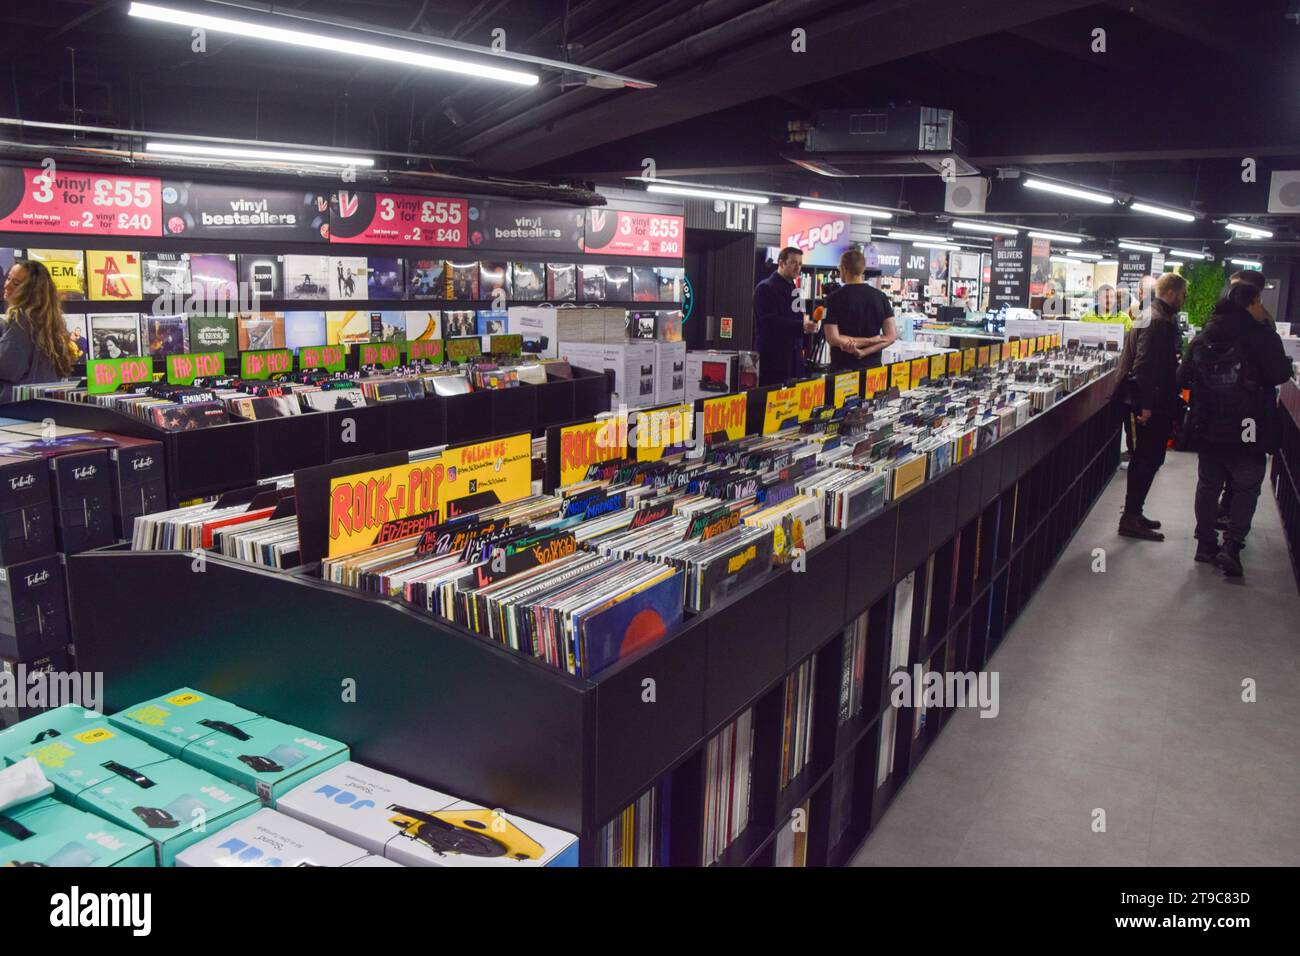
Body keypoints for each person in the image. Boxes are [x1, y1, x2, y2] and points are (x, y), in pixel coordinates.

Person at [1179, 281, 1293, 577]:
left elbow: (1183, 375)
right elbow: (1280, 374)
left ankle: (1205, 543)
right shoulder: (1262, 336)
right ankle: (1232, 547)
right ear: (1253, 302)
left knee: (1208, 484)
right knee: (1246, 484)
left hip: (1208, 421)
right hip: (1248, 423)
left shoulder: (1206, 333)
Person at [1114, 272, 1187, 540]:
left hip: (1152, 401)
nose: (1184, 299)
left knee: (1147, 459)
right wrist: (1145, 405)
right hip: (1151, 404)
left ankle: (1134, 513)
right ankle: (1130, 518)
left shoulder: (1153, 316)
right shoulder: (1158, 321)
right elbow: (1143, 365)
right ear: (1170, 292)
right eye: (1182, 293)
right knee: (1147, 459)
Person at [1, 260, 75, 403]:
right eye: (8, 278)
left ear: (31, 291)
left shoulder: (21, 320)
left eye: (16, 283)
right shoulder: (52, 321)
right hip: (46, 405)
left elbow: (7, 368)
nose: (6, 285)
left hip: (16, 409)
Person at [821, 248, 898, 371]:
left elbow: (833, 339)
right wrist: (868, 347)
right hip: (873, 371)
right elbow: (891, 336)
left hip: (842, 371)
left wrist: (862, 348)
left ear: (844, 268)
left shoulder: (832, 299)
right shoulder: (881, 297)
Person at [754, 247, 817, 385]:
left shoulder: (794, 288)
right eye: (794, 262)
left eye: (800, 264)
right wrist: (801, 325)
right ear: (781, 263)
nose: (798, 267)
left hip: (795, 359)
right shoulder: (765, 288)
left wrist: (806, 325)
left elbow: (800, 316)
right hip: (774, 359)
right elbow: (768, 322)